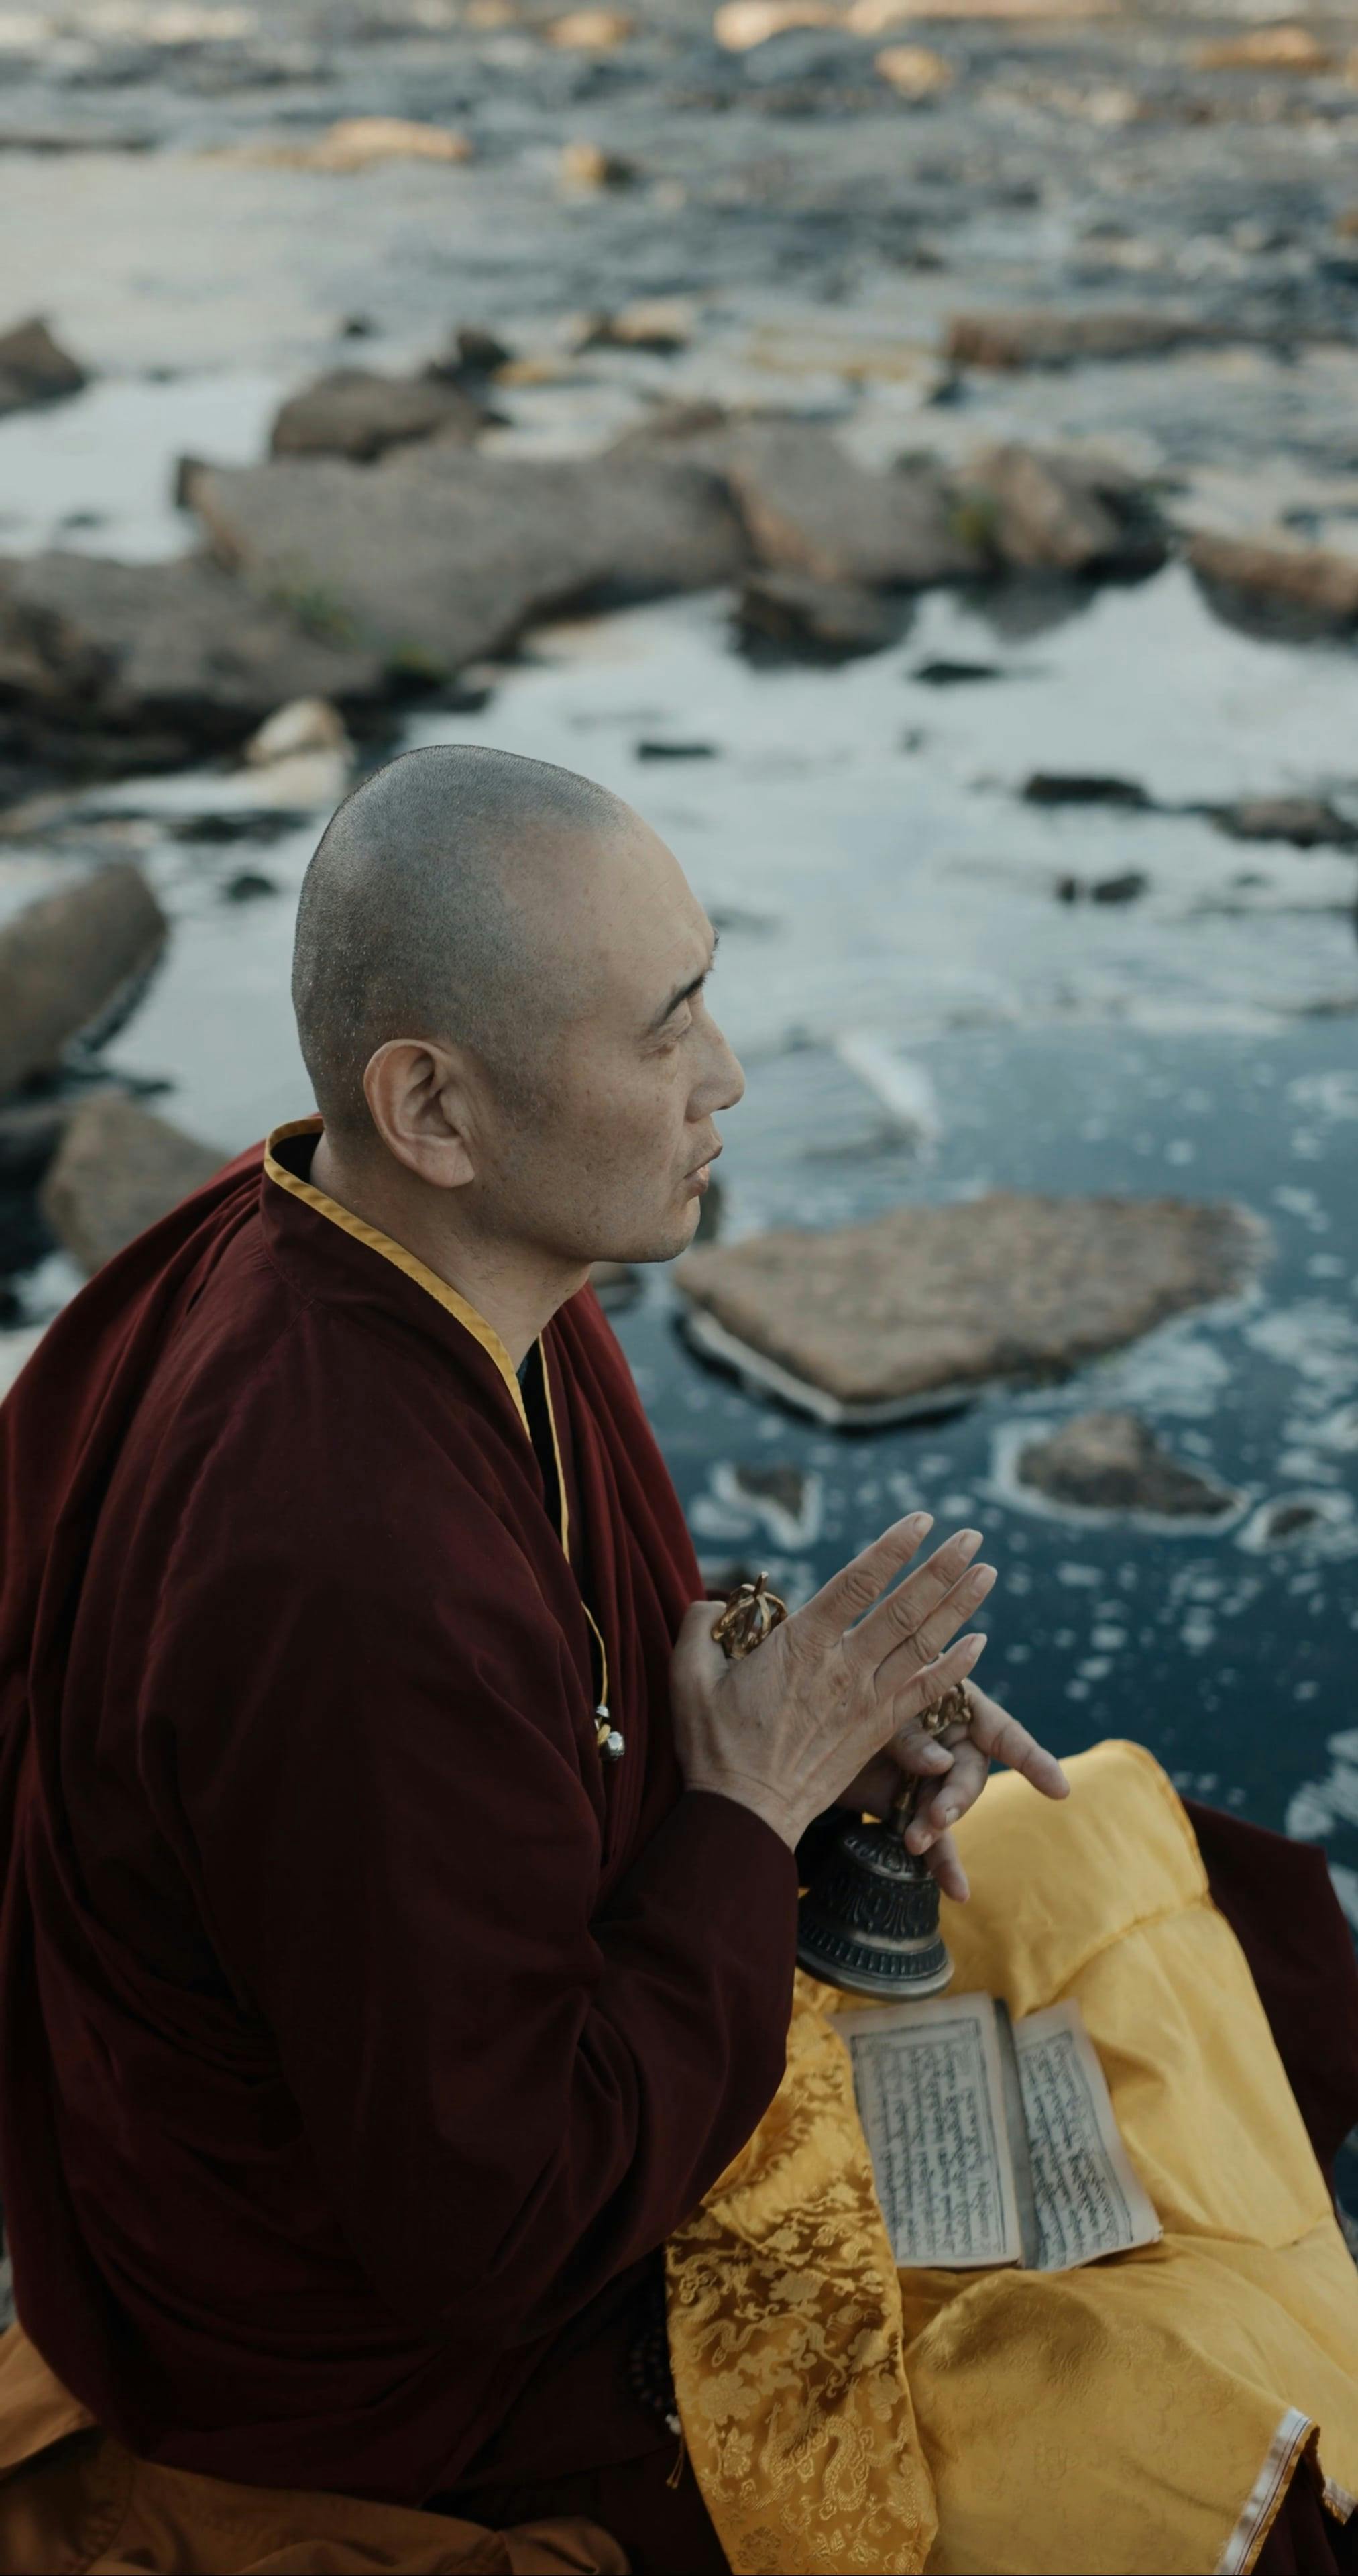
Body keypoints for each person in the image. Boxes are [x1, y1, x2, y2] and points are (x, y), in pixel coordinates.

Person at [2, 745, 1357, 2576]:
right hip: (413, 2349)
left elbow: (555, 1623)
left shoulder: (388, 1243)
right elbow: (495, 2231)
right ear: (433, 1104)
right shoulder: (343, 1565)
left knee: (1196, 1886)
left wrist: (793, 1679)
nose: (725, 1076)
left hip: (497, 2040)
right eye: (663, 1034)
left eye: (705, 989)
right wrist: (752, 1797)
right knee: (1170, 2445)